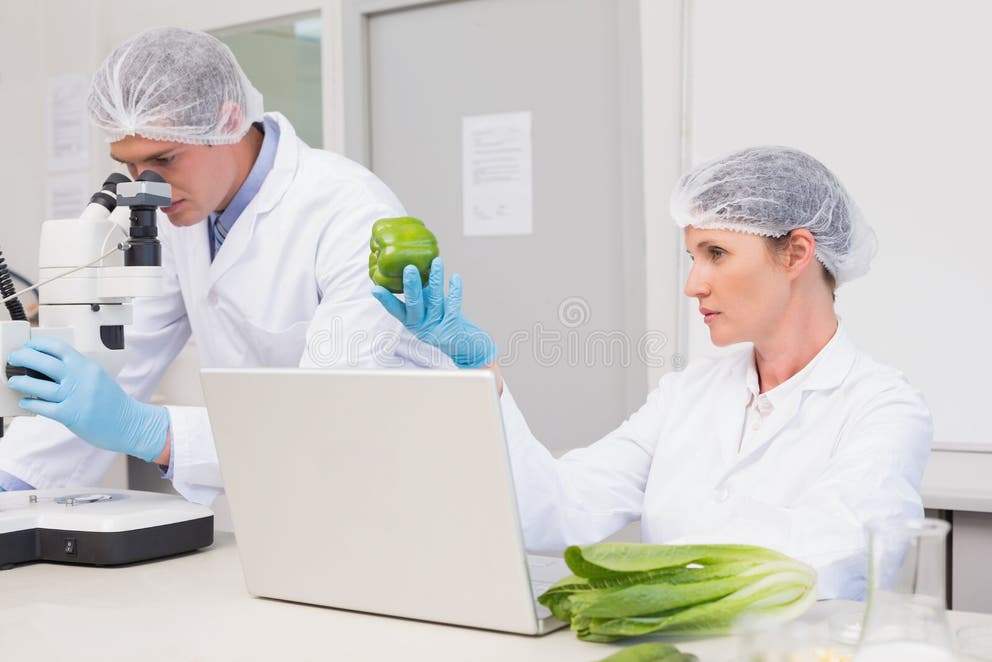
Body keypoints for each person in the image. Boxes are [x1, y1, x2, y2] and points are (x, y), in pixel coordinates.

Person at [372, 146, 933, 600]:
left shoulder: (881, 409)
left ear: (796, 254)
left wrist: (633, 580)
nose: (693, 284)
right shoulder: (687, 394)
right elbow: (559, 509)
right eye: (693, 257)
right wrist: (479, 373)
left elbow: (832, 559)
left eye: (715, 253)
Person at [0, 27, 446, 505]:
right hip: (277, 506)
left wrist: (146, 430)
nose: (145, 186)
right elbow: (121, 360)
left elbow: (328, 418)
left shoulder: (352, 212)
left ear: (227, 121)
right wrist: (11, 480)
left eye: (164, 159)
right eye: (128, 166)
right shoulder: (180, 215)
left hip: (386, 498)